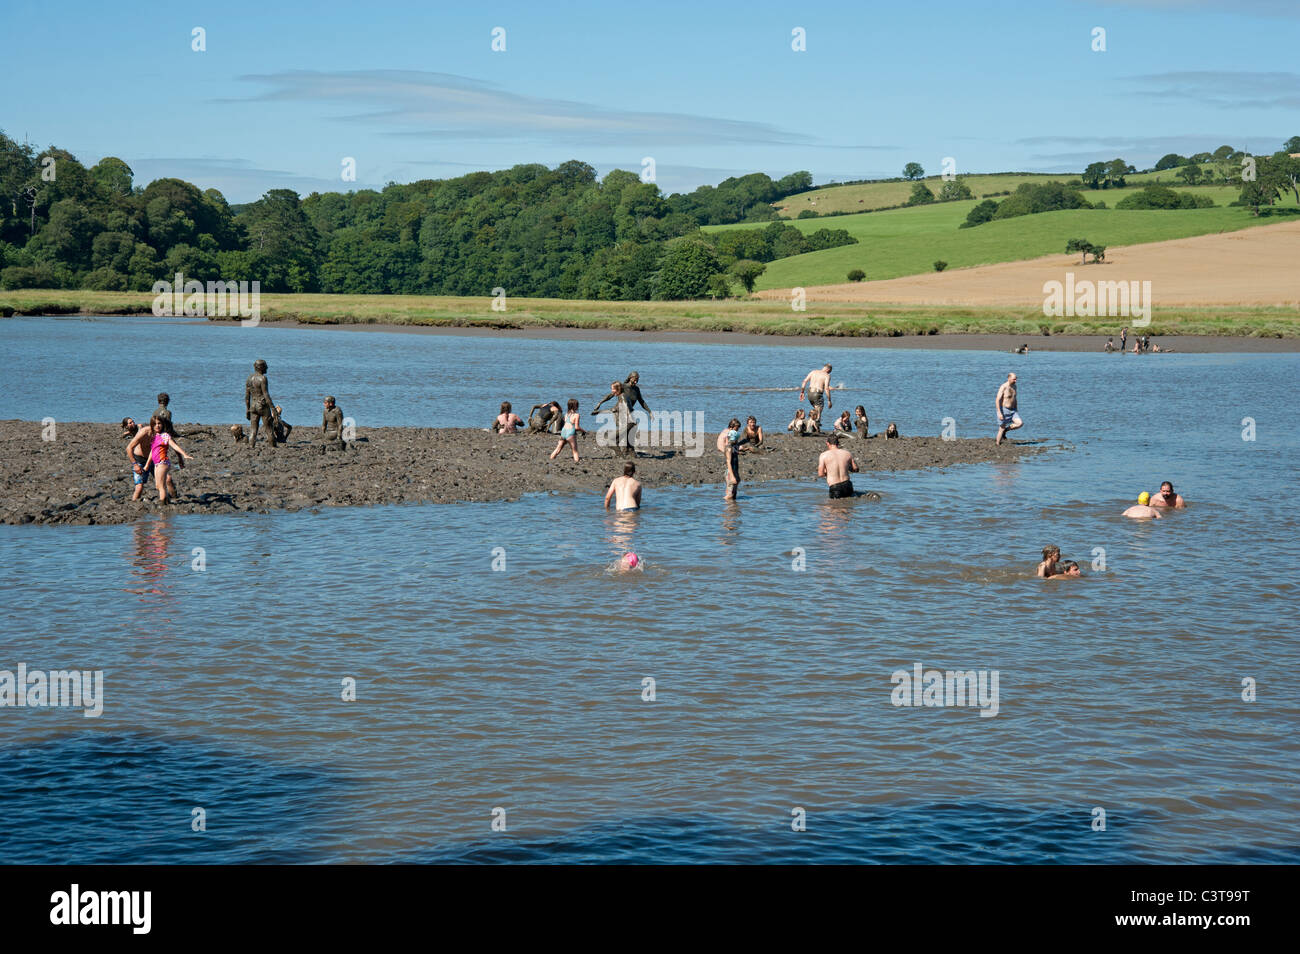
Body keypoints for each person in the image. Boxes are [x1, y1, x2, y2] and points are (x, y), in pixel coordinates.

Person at [146, 413, 192, 503]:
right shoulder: (154, 436)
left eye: (159, 423)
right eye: (155, 424)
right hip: (156, 463)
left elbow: (174, 446)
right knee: (158, 486)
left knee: (161, 486)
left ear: (162, 424)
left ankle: (162, 503)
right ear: (152, 425)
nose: (157, 426)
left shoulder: (164, 435)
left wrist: (184, 454)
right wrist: (147, 464)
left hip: (163, 462)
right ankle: (167, 501)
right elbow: (152, 451)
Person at [593, 381, 634, 457]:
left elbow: (625, 407)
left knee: (610, 440)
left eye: (613, 389)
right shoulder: (622, 396)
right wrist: (599, 412)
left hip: (628, 423)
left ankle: (621, 457)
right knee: (628, 446)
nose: (612, 391)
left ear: (618, 389)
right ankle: (630, 456)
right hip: (631, 423)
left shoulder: (622, 397)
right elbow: (613, 409)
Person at [245, 359, 277, 448]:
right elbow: (266, 394)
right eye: (265, 366)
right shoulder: (263, 378)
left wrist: (247, 409)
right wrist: (273, 409)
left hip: (253, 406)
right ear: (260, 367)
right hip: (262, 406)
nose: (267, 367)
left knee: (253, 429)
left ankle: (251, 446)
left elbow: (247, 397)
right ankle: (273, 446)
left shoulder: (249, 378)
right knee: (269, 428)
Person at [817, 433, 859, 499]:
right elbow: (856, 469)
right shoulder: (847, 453)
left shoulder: (824, 455)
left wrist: (829, 471)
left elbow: (820, 474)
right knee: (848, 507)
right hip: (847, 485)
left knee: (834, 507)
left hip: (835, 487)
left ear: (827, 443)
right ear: (838, 443)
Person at [717, 418, 745, 500]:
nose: (737, 430)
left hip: (732, 462)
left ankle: (733, 510)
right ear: (732, 427)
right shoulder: (728, 435)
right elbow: (723, 447)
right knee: (729, 495)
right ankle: (726, 509)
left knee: (733, 493)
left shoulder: (728, 432)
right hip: (730, 466)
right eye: (737, 428)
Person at [995, 372, 1022, 445]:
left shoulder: (1014, 386)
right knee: (1001, 428)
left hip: (1013, 410)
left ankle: (1006, 431)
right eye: (1014, 379)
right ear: (1009, 378)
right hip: (1004, 410)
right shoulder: (1003, 387)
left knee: (1019, 423)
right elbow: (997, 400)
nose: (1015, 381)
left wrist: (1016, 408)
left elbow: (1014, 398)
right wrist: (999, 412)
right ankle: (997, 444)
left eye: (1016, 379)